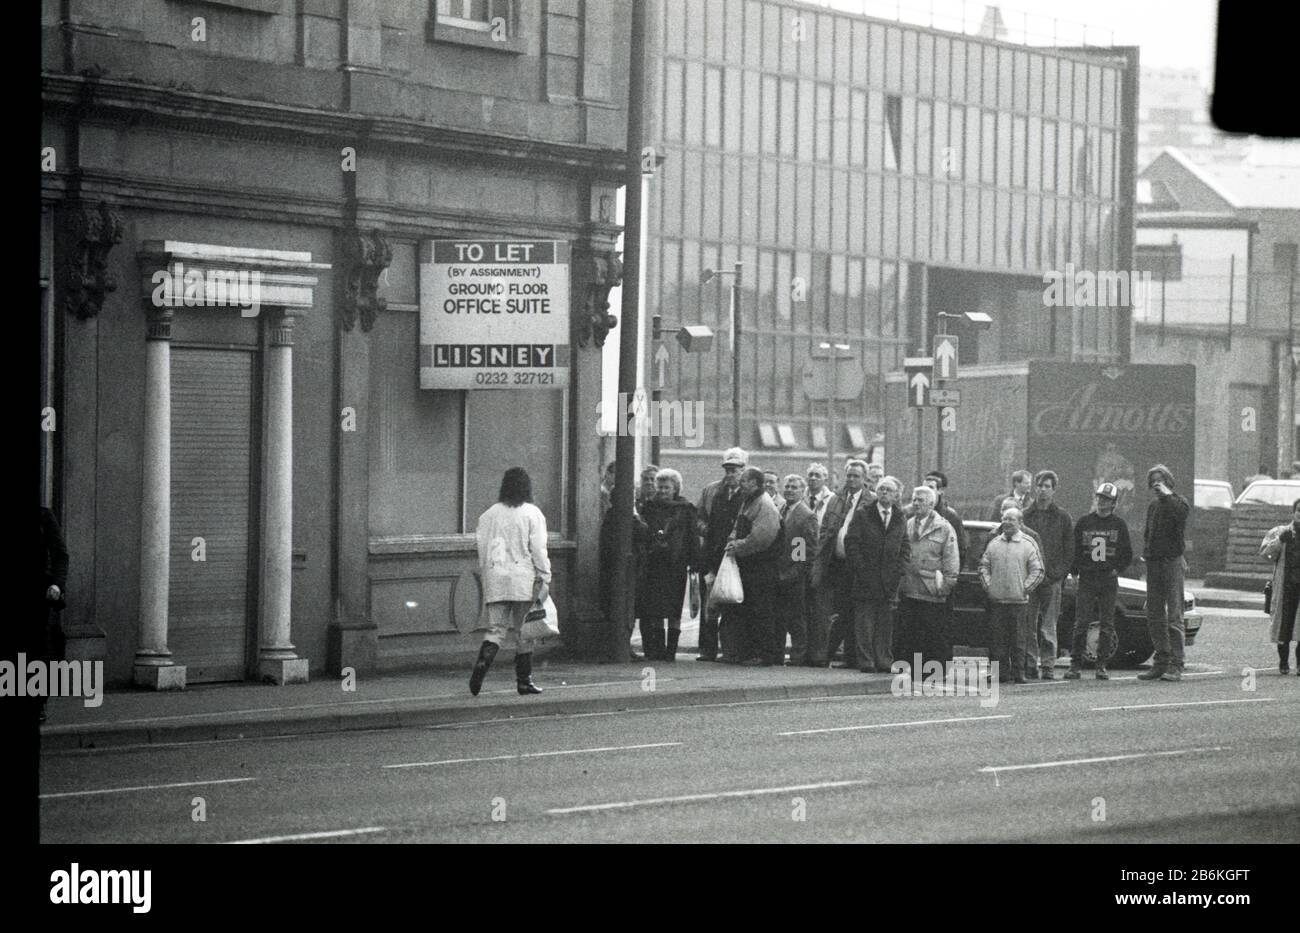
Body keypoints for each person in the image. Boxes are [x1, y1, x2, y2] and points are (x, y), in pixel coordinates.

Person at [470, 467, 550, 697]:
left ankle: (480, 670)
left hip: (496, 577)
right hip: (523, 579)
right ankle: (524, 681)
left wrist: (488, 574)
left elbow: (482, 549)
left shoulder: (488, 515)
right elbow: (538, 549)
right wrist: (545, 576)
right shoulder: (532, 513)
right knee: (524, 631)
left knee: (495, 629)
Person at [1065, 483, 1133, 680]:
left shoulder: (1118, 525)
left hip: (1107, 580)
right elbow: (1075, 549)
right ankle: (1075, 663)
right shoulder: (1085, 522)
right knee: (1081, 622)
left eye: (1107, 499)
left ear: (1113, 503)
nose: (1102, 502)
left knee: (1106, 623)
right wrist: (1075, 572)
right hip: (1087, 578)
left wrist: (1116, 569)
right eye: (1100, 498)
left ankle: (1101, 664)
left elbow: (1126, 553)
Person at [844, 475, 910, 673]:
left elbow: (905, 545)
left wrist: (900, 568)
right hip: (866, 577)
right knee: (864, 623)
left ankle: (884, 660)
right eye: (881, 489)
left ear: (896, 495)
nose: (884, 493)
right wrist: (860, 568)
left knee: (885, 624)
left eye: (889, 490)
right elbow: (851, 542)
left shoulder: (899, 517)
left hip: (889, 579)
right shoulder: (864, 514)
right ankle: (866, 660)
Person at [634, 468, 697, 663]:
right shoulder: (649, 507)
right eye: (659, 486)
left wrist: (694, 562)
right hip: (655, 563)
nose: (662, 491)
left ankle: (671, 651)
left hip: (676, 564)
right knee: (656, 608)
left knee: (674, 609)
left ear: (675, 488)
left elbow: (692, 537)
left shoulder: (686, 509)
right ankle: (659, 649)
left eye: (666, 487)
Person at [896, 485, 961, 671]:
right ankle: (912, 670)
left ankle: (933, 671)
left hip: (931, 591)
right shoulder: (907, 524)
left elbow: (951, 561)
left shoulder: (944, 528)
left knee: (932, 635)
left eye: (920, 500)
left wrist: (944, 587)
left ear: (931, 504)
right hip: (909, 590)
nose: (915, 503)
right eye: (914, 499)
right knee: (911, 634)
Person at [814, 460, 871, 668]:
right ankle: (829, 653)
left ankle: (834, 654)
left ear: (864, 479)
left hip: (855, 565)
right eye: (849, 475)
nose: (851, 479)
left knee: (848, 610)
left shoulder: (869, 501)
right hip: (833, 561)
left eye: (856, 476)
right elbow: (826, 528)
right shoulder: (837, 499)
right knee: (832, 609)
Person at [978, 507, 1044, 684]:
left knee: (1018, 640)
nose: (1007, 522)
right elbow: (983, 566)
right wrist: (989, 586)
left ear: (1020, 523)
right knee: (997, 640)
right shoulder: (994, 544)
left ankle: (1018, 672)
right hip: (997, 600)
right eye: (1004, 519)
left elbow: (1038, 570)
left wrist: (1025, 588)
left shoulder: (1028, 544)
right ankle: (1000, 673)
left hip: (1019, 601)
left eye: (1011, 519)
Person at [1138, 464, 1191, 682]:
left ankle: (1176, 664)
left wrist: (1168, 496)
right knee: (1154, 614)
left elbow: (1180, 516)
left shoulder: (1179, 502)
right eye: (1153, 481)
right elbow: (1148, 533)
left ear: (1169, 481)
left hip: (1171, 563)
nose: (1156, 484)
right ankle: (1161, 661)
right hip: (1155, 563)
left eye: (1160, 479)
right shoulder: (1153, 506)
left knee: (1174, 615)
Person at [726, 466, 783, 665]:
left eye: (744, 482)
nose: (740, 485)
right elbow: (737, 526)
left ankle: (764, 654)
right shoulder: (748, 501)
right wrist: (732, 540)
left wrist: (738, 545)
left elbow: (761, 538)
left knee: (762, 611)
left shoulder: (764, 504)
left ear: (755, 484)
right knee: (750, 610)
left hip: (761, 566)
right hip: (750, 565)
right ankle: (749, 652)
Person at [696, 447, 749, 662]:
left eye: (734, 470)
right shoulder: (711, 491)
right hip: (712, 555)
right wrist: (705, 529)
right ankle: (707, 649)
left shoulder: (748, 494)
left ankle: (731, 649)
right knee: (709, 603)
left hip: (737, 558)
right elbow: (699, 517)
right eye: (727, 469)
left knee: (733, 602)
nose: (730, 474)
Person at [1022, 470, 1074, 680]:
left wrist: (1058, 574)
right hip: (1029, 579)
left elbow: (1069, 549)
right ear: (1035, 488)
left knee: (1048, 624)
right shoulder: (1025, 515)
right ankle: (1030, 663)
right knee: (1028, 624)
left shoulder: (1062, 517)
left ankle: (1048, 665)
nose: (1043, 490)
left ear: (1054, 490)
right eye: (1040, 486)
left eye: (1047, 486)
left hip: (1052, 579)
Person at [774, 474, 818, 665]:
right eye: (787, 487)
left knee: (796, 618)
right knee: (779, 617)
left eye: (794, 487)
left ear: (802, 491)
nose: (789, 490)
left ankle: (798, 656)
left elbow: (805, 550)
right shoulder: (781, 509)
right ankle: (777, 653)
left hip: (794, 576)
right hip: (779, 572)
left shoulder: (805, 515)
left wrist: (792, 572)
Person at [1259, 498, 1300, 675]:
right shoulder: (1280, 532)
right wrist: (1279, 541)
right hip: (1285, 588)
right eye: (1298, 510)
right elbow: (1265, 554)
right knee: (1283, 626)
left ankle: (1299, 665)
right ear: (1293, 512)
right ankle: (1283, 662)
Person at [37, 506, 69, 724]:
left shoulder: (43, 516)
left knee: (41, 650)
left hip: (39, 594)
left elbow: (60, 555)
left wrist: (57, 584)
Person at [923, 470, 967, 567]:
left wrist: (949, 577)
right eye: (924, 488)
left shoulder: (951, 517)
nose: (926, 491)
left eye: (930, 487)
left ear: (940, 490)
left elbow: (959, 551)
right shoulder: (912, 514)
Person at [805, 462, 835, 533]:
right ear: (806, 478)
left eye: (817, 476)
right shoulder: (800, 496)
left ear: (825, 479)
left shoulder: (832, 499)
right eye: (810, 475)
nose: (813, 478)